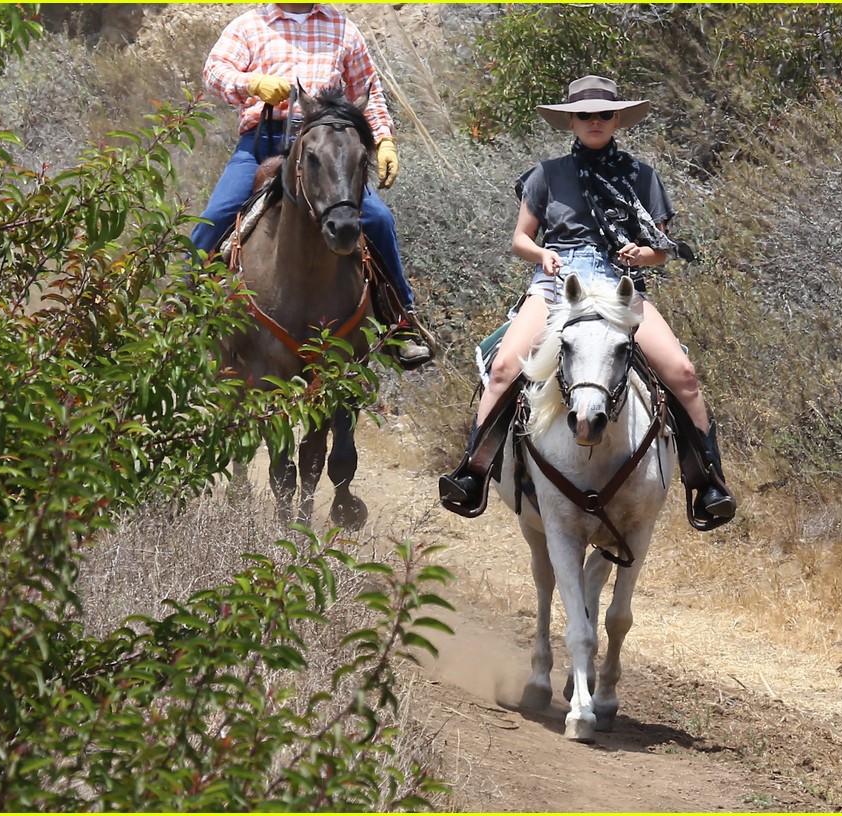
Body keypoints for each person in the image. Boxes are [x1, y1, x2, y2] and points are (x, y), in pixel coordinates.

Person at [438, 75, 735, 528]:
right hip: (558, 285)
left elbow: (660, 247)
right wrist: (543, 254)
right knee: (503, 369)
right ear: (571, 122)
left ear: (617, 119)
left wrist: (643, 254)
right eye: (584, 114)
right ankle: (473, 472)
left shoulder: (642, 176)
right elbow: (520, 239)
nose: (594, 121)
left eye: (604, 114)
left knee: (683, 374)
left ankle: (707, 483)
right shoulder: (546, 174)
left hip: (620, 286)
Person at [190, 2, 429, 364]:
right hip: (263, 141)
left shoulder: (343, 28)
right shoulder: (251, 24)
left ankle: (399, 321)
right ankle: (180, 309)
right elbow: (214, 72)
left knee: (378, 219)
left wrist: (383, 140)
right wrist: (252, 83)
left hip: (330, 149)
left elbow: (369, 91)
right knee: (219, 212)